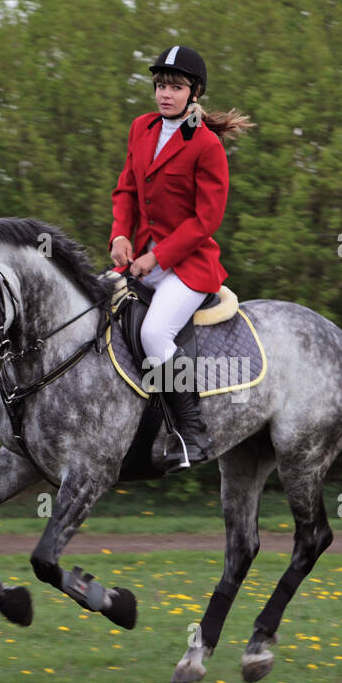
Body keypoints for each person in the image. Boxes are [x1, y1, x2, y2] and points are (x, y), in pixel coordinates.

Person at [108, 45, 254, 472]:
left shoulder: (206, 145)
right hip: (140, 259)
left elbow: (206, 219)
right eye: (160, 85)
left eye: (174, 87)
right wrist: (120, 232)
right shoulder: (141, 129)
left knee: (155, 334)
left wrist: (159, 257)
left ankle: (191, 433)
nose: (164, 94)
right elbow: (127, 191)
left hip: (188, 267)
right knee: (92, 306)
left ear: (194, 93)